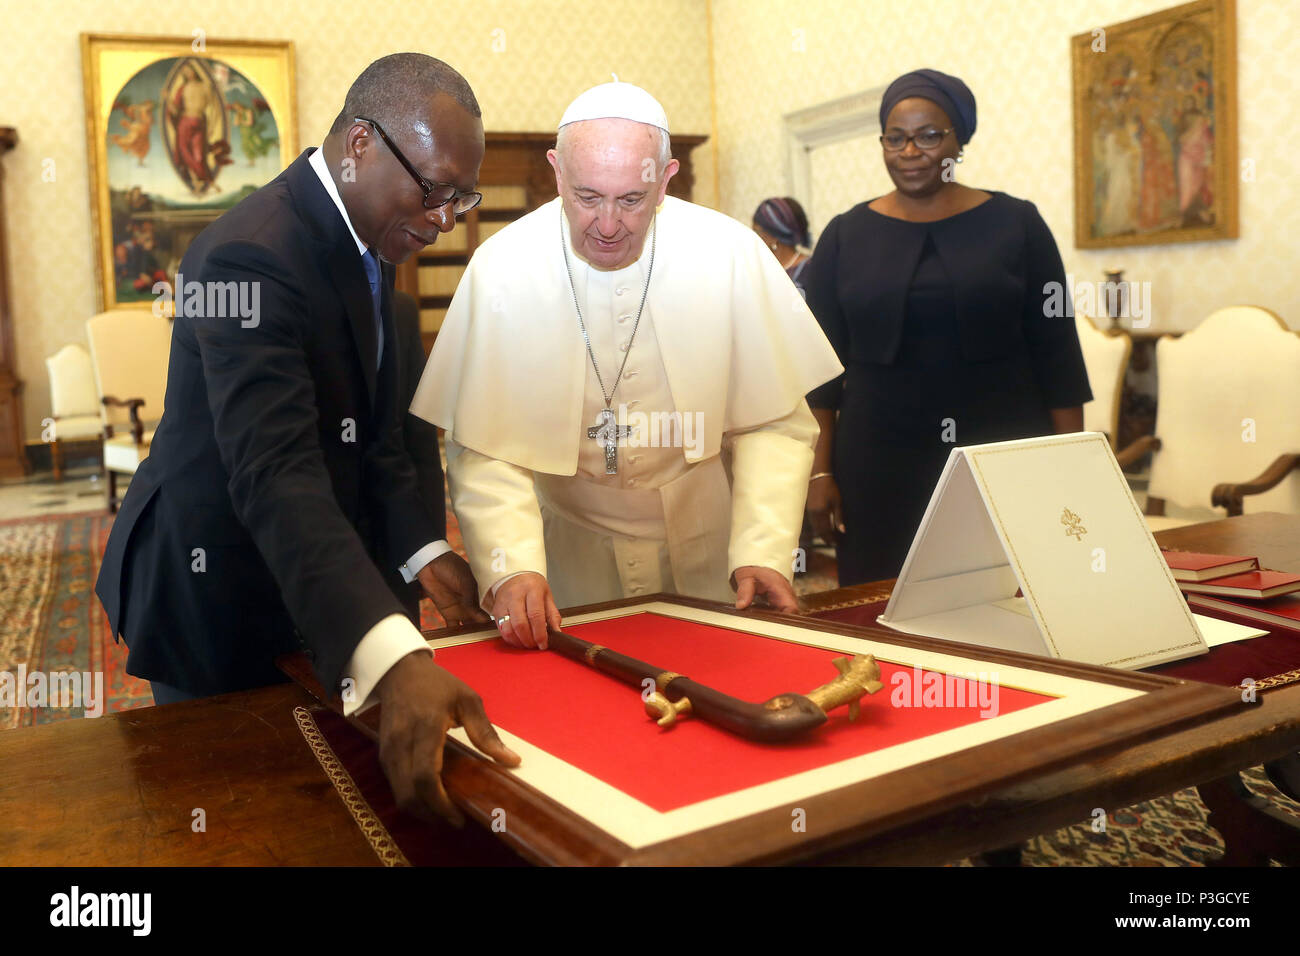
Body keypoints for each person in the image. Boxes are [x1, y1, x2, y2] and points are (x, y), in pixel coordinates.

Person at [96, 54, 519, 823]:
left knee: (328, 803)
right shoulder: (248, 256)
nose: (445, 217)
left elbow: (370, 437)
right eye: (433, 191)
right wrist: (393, 657)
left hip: (308, 572)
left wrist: (423, 551)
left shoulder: (371, 236)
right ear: (360, 144)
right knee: (234, 812)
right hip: (215, 583)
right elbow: (277, 473)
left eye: (462, 197)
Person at [410, 80, 842, 649]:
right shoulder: (502, 269)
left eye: (631, 200)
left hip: (716, 548)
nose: (608, 225)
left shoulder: (730, 254)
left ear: (665, 180)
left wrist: (762, 549)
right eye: (587, 196)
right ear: (556, 171)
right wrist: (512, 565)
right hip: (566, 555)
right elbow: (486, 447)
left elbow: (772, 422)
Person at [803, 69, 1092, 585]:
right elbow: (819, 372)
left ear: (960, 140)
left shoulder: (1017, 224)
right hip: (878, 462)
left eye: (929, 135)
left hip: (1001, 454)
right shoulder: (846, 235)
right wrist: (820, 471)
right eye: (895, 137)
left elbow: (1058, 356)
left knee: (1004, 598)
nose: (909, 150)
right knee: (879, 605)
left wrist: (1069, 467)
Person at [752, 197, 812, 292]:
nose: (754, 238)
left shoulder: (811, 269)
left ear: (774, 236)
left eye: (757, 232)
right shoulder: (760, 269)